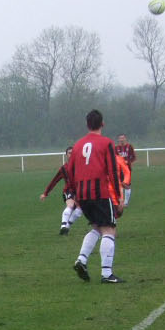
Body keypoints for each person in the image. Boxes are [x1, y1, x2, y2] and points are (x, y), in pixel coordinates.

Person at [65, 109, 123, 283]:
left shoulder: (77, 145)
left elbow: (71, 171)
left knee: (97, 227)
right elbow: (113, 171)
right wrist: (119, 197)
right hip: (100, 193)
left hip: (82, 194)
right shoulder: (106, 143)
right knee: (109, 229)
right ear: (102, 124)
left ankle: (81, 260)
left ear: (87, 125)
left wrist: (74, 194)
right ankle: (107, 274)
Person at [40, 145, 81, 234]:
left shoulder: (81, 166)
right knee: (70, 206)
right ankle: (63, 226)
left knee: (79, 210)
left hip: (79, 191)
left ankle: (66, 227)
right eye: (69, 153)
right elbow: (54, 181)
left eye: (73, 153)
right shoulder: (64, 168)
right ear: (66, 155)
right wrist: (45, 193)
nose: (71, 154)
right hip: (68, 191)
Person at [115, 135, 137, 205]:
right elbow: (114, 158)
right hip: (118, 170)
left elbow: (134, 157)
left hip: (127, 170)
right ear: (118, 140)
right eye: (120, 138)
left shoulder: (129, 147)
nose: (121, 139)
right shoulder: (116, 148)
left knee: (126, 185)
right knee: (119, 185)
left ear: (125, 139)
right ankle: (120, 200)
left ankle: (126, 202)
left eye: (123, 138)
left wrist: (128, 161)